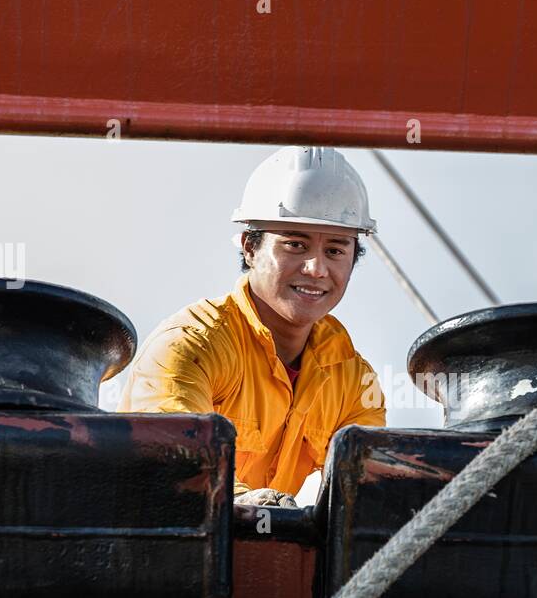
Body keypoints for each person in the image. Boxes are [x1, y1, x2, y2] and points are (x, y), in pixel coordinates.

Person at [117, 146, 386, 507]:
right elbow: (175, 462)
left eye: (335, 251)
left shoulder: (353, 380)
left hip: (255, 553)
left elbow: (369, 493)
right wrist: (250, 505)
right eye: (295, 244)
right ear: (249, 247)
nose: (316, 269)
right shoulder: (191, 346)